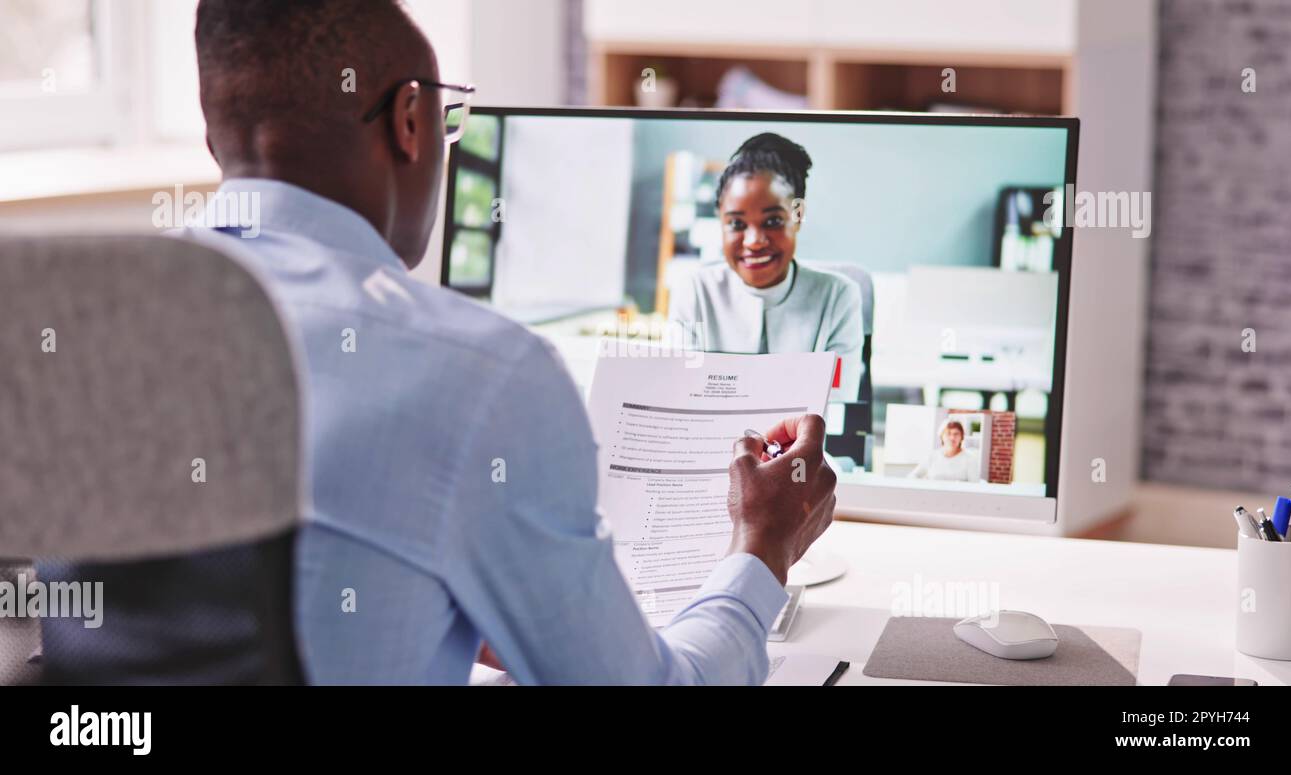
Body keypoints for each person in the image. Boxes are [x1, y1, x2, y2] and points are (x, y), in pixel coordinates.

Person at [185, 0, 837, 684]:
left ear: (212, 138)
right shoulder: (479, 374)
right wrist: (764, 546)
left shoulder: (90, 326)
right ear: (410, 122)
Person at [668, 132, 864, 400]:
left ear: (797, 216)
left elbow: (838, 407)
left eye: (772, 222)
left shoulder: (838, 296)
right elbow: (679, 398)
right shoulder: (695, 292)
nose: (754, 241)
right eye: (737, 224)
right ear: (720, 222)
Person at [909, 420, 981, 482]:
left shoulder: (970, 459)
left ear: (962, 437)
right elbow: (912, 476)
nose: (952, 438)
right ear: (941, 437)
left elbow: (975, 486)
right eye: (948, 434)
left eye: (956, 434)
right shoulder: (933, 456)